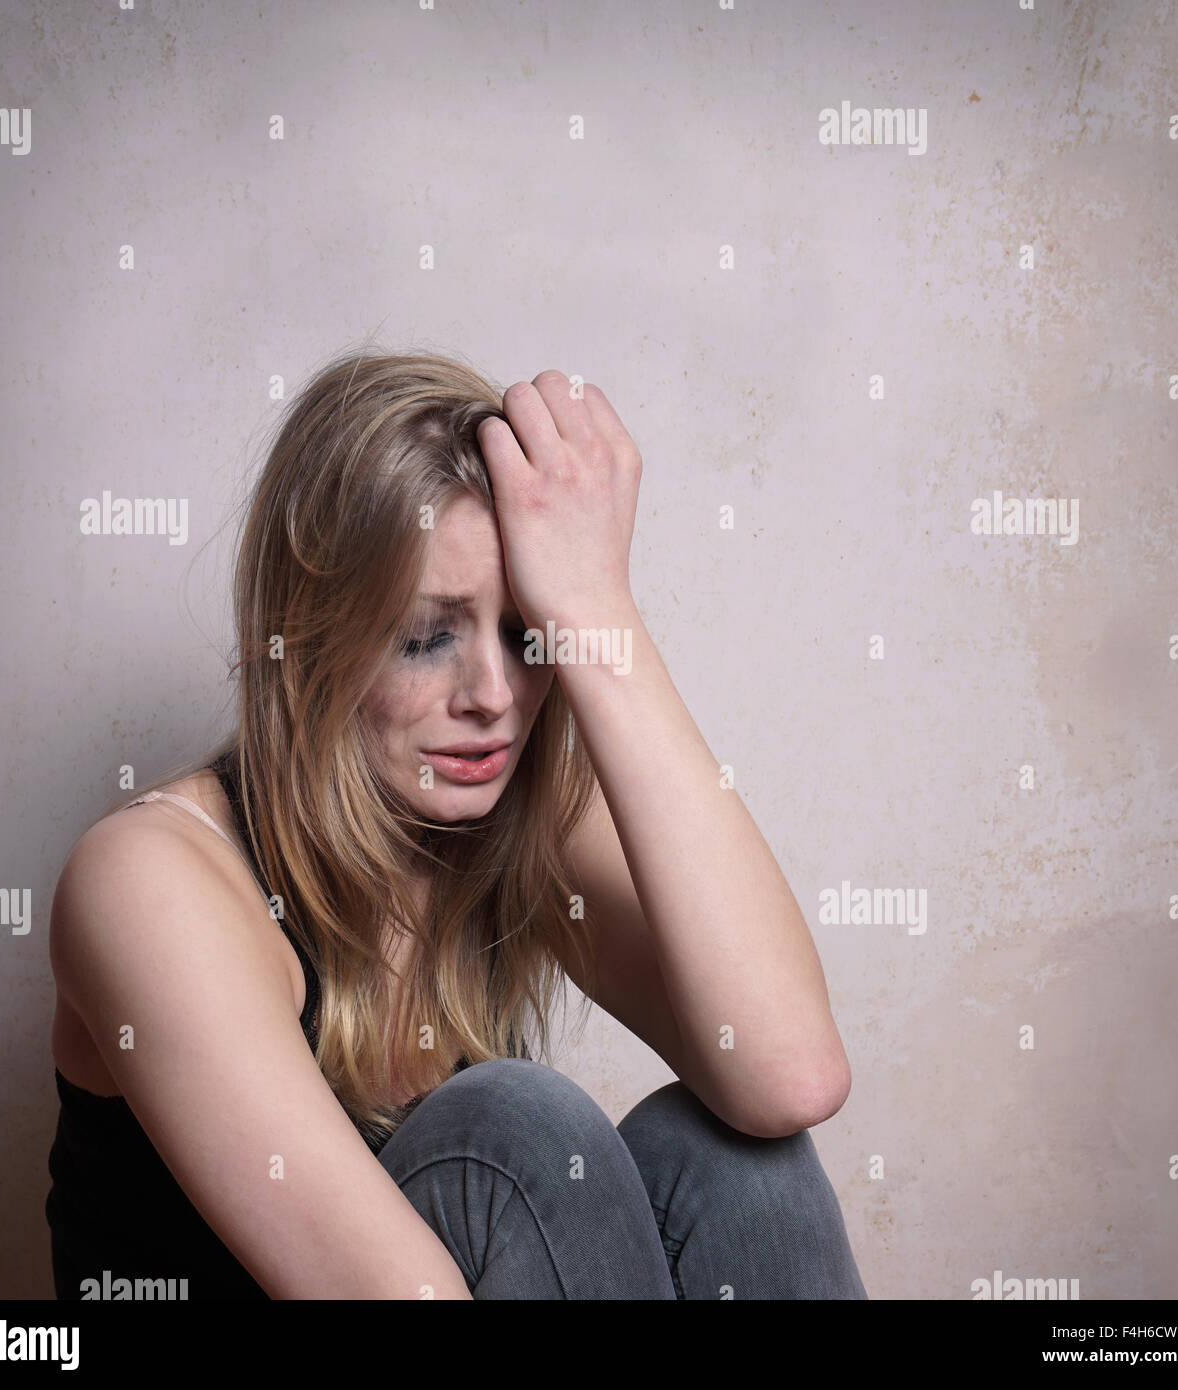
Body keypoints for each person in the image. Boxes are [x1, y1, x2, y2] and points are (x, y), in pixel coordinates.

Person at [45, 350, 868, 1299]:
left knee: (733, 1160)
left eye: (527, 636)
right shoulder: (151, 879)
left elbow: (789, 1079)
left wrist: (599, 612)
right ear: (311, 636)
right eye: (427, 637)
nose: (494, 698)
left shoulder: (513, 810)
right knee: (516, 1134)